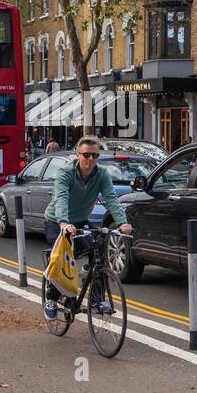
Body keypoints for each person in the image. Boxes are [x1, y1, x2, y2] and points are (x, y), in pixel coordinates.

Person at [42, 136, 133, 321]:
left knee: (99, 246)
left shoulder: (101, 174)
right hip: (57, 220)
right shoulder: (66, 173)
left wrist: (122, 222)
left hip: (81, 220)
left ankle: (97, 299)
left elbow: (111, 199)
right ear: (78, 155)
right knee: (61, 255)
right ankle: (51, 298)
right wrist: (64, 223)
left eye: (94, 155)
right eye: (86, 155)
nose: (90, 159)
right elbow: (61, 198)